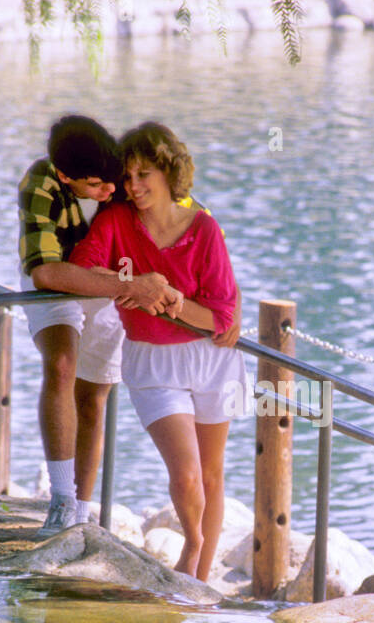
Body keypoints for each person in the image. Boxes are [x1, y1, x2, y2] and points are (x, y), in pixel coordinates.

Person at [18, 115, 241, 538]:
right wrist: (132, 285)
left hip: (117, 284)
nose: (115, 191)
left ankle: (82, 510)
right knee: (62, 364)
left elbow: (196, 216)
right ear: (67, 177)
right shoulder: (42, 182)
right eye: (99, 187)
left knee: (94, 394)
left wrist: (232, 305)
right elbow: (47, 274)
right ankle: (62, 501)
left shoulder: (121, 176)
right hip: (58, 283)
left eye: (116, 182)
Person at [67, 122, 248, 581]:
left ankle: (198, 583)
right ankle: (194, 544)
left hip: (212, 361)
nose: (133, 186)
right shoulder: (115, 222)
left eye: (143, 174)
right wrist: (128, 286)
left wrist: (175, 303)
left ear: (170, 172)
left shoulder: (204, 229)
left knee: (211, 476)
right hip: (152, 361)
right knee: (186, 476)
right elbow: (80, 269)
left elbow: (223, 316)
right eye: (127, 178)